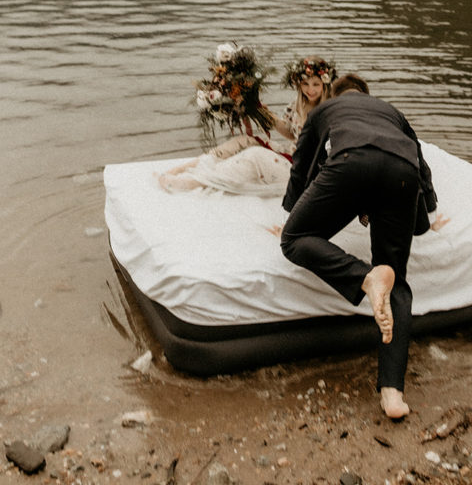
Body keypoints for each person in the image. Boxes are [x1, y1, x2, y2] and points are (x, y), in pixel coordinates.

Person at [280, 73, 439, 420]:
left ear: (334, 95)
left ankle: (365, 277)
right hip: (401, 175)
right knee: (396, 280)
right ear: (368, 95)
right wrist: (424, 219)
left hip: (350, 164)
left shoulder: (325, 110)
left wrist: (293, 213)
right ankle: (393, 393)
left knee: (292, 240)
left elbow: (301, 167)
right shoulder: (392, 112)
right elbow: (421, 167)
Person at [159, 53, 337, 195]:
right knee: (245, 140)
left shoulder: (330, 111)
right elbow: (291, 134)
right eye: (305, 84)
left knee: (255, 155)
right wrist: (263, 113)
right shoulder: (297, 106)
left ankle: (195, 182)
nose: (310, 90)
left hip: (305, 172)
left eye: (316, 84)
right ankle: (185, 168)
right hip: (292, 155)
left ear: (325, 84)